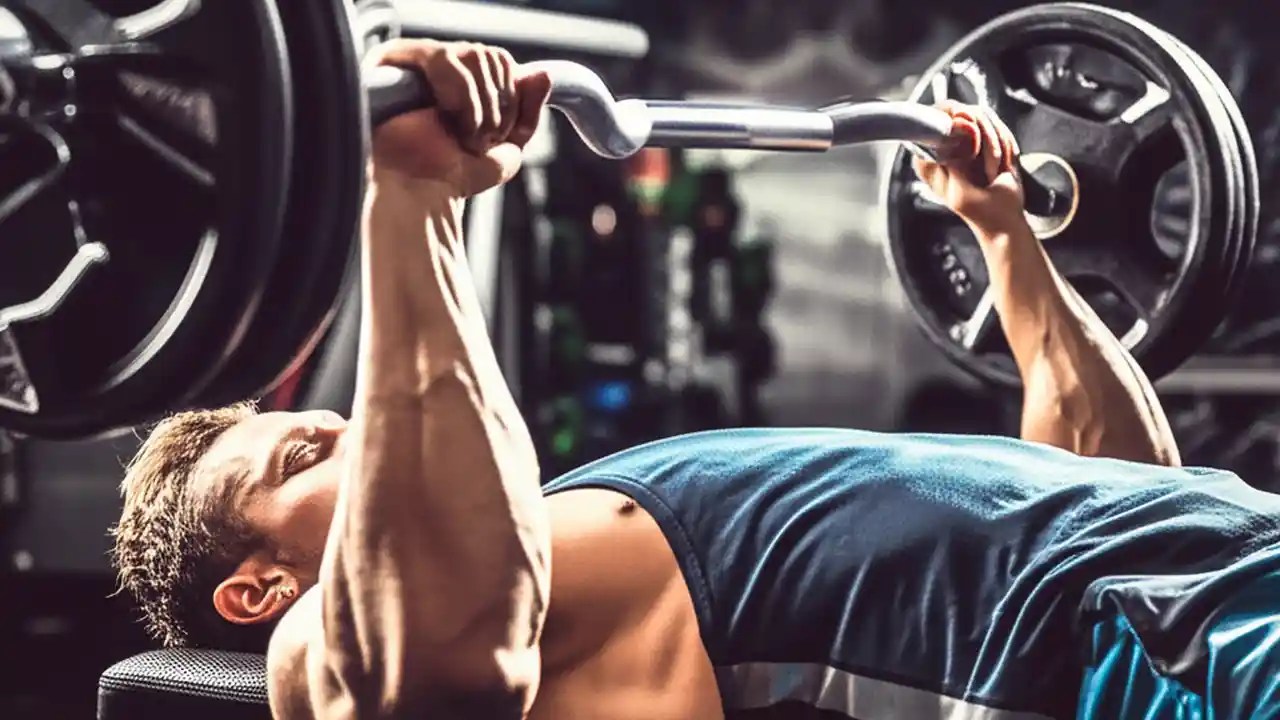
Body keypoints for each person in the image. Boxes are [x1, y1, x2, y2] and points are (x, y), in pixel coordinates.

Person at [109, 39, 1280, 720]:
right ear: (255, 589)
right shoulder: (320, 646)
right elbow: (442, 664)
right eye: (304, 455)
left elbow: (1113, 480)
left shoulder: (592, 511)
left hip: (1212, 560)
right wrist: (412, 203)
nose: (356, 438)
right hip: (1160, 652)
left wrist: (1003, 237)